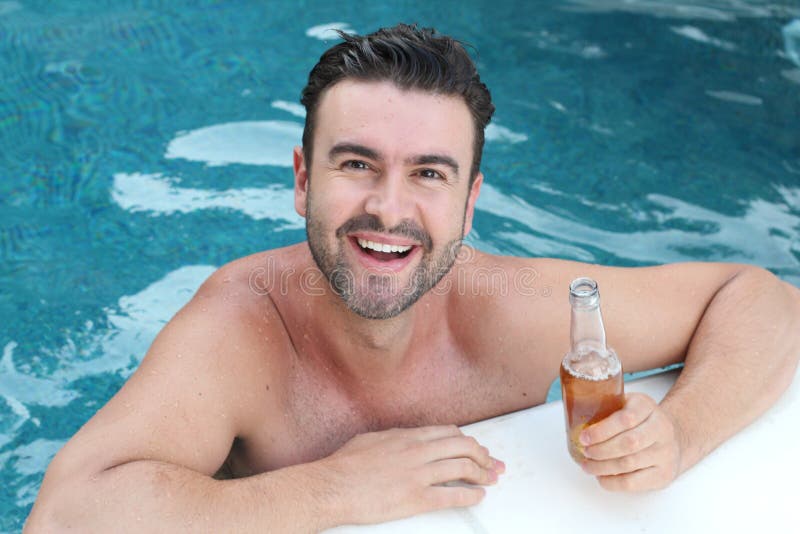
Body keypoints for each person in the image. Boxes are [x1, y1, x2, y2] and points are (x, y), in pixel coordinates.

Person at [26, 23, 800, 533]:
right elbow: (64, 513)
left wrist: (681, 432)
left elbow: (761, 298)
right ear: (302, 180)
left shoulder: (511, 312)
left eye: (428, 174)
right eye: (357, 164)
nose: (388, 209)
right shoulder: (241, 331)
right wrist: (332, 490)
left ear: (469, 202)